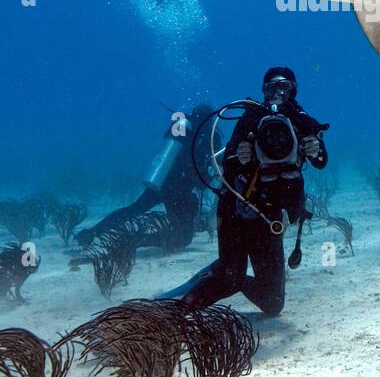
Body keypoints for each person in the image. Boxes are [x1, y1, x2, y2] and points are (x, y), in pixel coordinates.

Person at [161, 66, 328, 317]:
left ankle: (221, 270)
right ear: (263, 90)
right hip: (236, 210)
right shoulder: (250, 118)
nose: (278, 93)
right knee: (231, 278)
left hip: (267, 217)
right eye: (272, 87)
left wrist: (315, 149)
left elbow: (321, 161)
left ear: (294, 89)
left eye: (284, 86)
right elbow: (226, 163)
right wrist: (240, 156)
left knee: (273, 304)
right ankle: (172, 316)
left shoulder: (303, 122)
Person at [74, 103, 215, 252]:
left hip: (160, 182)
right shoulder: (207, 139)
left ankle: (93, 233)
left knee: (133, 210)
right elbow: (200, 176)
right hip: (178, 191)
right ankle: (132, 240)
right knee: (182, 239)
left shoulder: (183, 129)